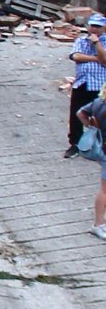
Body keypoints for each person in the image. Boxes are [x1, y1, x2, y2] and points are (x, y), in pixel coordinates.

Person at [67, 14, 106, 158]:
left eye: (98, 27)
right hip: (82, 82)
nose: (94, 29)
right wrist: (96, 58)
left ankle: (100, 142)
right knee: (76, 114)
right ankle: (75, 143)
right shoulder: (81, 41)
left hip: (99, 85)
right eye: (92, 26)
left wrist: (97, 44)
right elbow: (75, 56)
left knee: (100, 115)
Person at [75, 86, 106, 239]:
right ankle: (98, 224)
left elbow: (80, 113)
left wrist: (91, 126)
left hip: (102, 148)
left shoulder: (98, 102)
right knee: (104, 190)